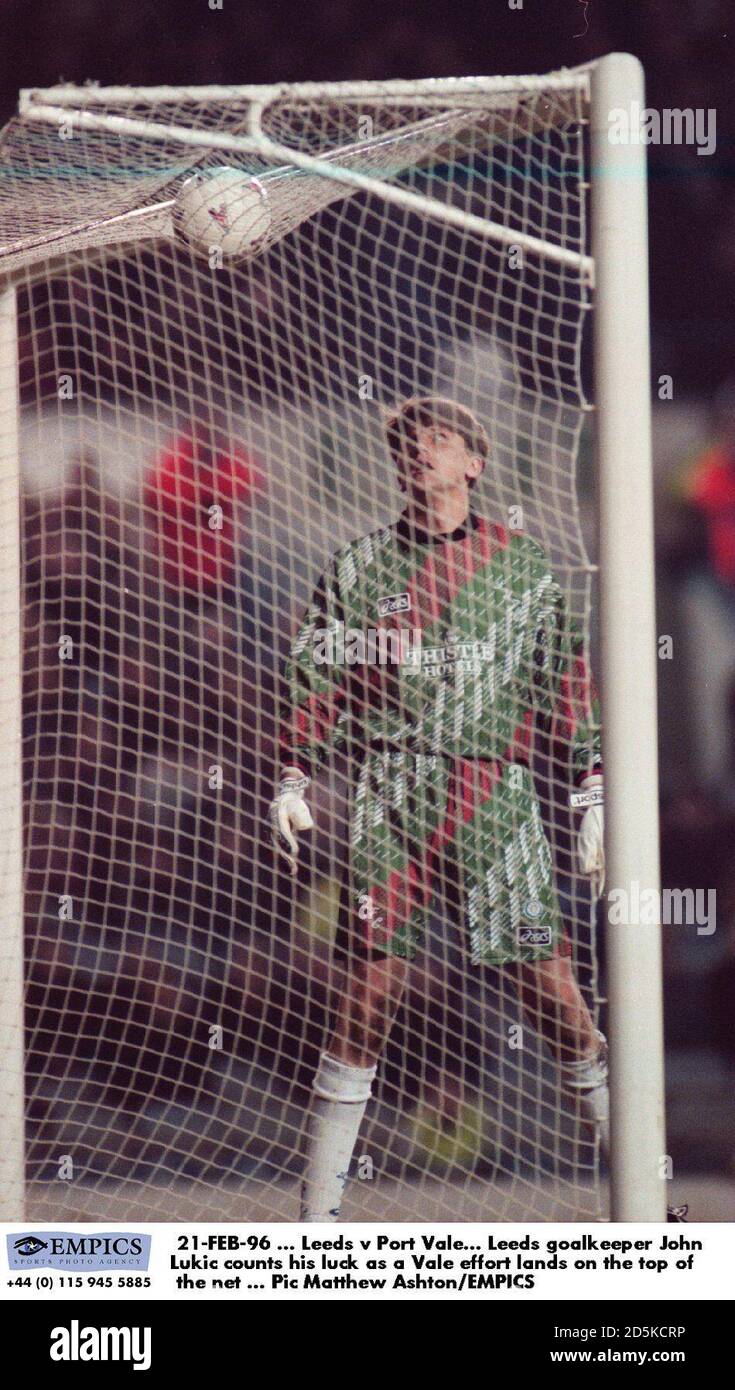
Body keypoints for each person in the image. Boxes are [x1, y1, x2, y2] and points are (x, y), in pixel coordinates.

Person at [271, 396, 607, 1223]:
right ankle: (316, 1218)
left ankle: (640, 1184)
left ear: (473, 463)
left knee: (554, 998)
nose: (419, 449)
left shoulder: (520, 565)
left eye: (439, 437)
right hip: (390, 791)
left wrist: (590, 787)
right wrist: (293, 774)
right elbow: (318, 677)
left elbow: (565, 679)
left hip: (493, 794)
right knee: (366, 994)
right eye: (406, 441)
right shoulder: (359, 567)